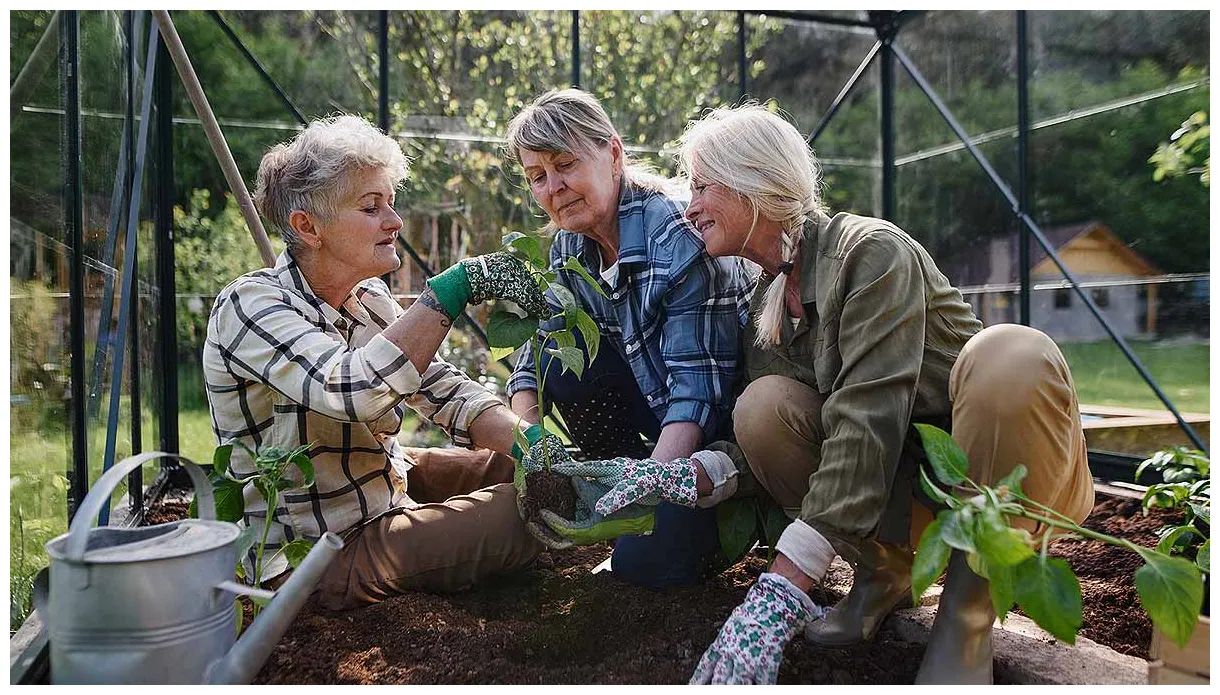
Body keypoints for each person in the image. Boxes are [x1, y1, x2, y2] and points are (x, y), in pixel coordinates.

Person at [547, 104, 1095, 683]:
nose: (691, 207)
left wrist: (782, 587)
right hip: (918, 488)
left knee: (1008, 354)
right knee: (761, 410)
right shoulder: (768, 304)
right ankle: (883, 572)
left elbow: (868, 420)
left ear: (753, 182)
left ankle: (968, 609)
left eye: (704, 187)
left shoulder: (868, 253)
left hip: (1011, 480)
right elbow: (782, 444)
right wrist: (686, 475)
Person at [202, 114, 559, 610]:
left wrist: (534, 444)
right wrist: (451, 291)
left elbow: (442, 391)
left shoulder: (366, 297)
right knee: (520, 516)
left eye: (391, 202)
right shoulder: (250, 307)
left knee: (531, 473)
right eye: (372, 207)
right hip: (317, 551)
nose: (394, 222)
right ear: (309, 227)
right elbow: (352, 390)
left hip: (381, 485)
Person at [503, 89, 754, 589]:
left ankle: (691, 514)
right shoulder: (571, 246)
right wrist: (532, 448)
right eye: (537, 177)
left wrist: (645, 490)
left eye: (566, 164)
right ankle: (635, 496)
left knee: (646, 568)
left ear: (614, 155)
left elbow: (698, 396)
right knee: (562, 363)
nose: (554, 187)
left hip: (723, 435)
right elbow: (533, 358)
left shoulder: (678, 235)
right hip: (663, 409)